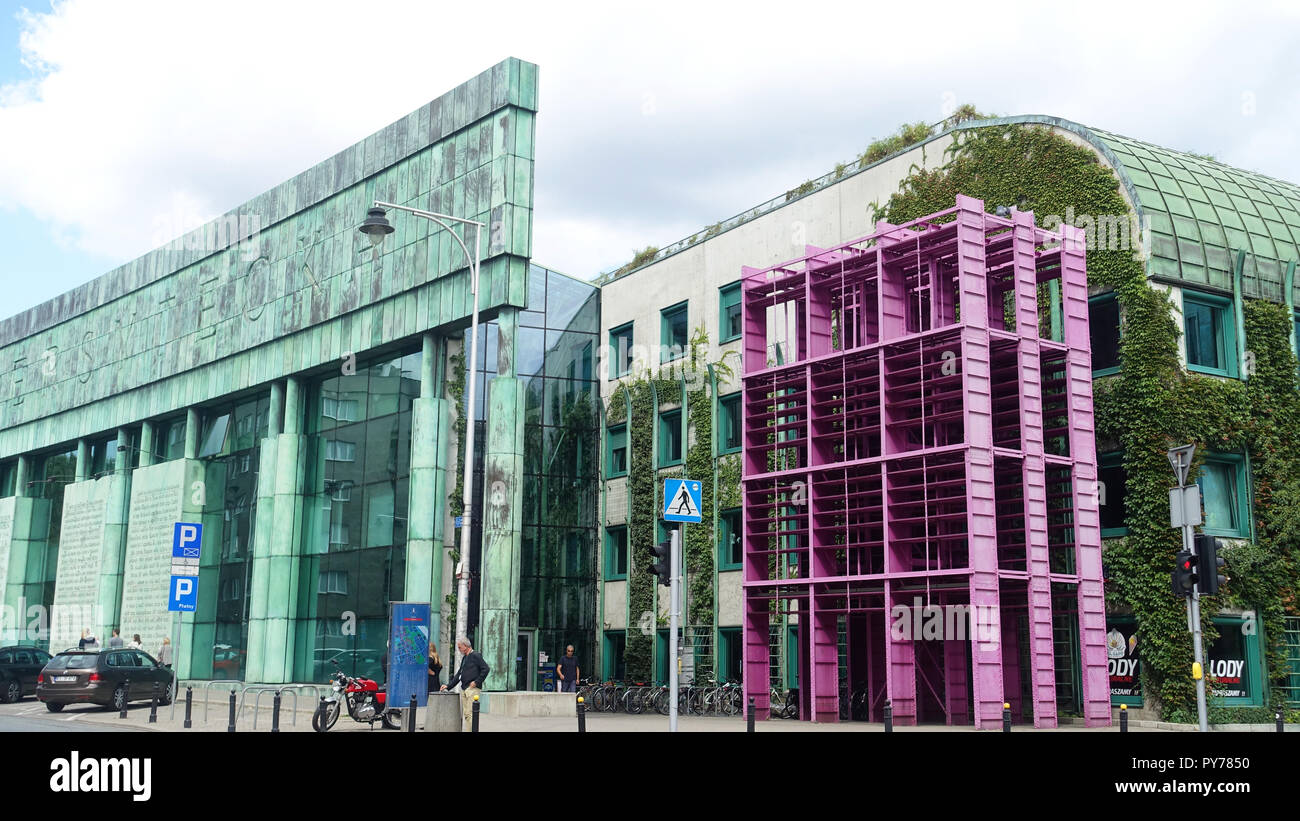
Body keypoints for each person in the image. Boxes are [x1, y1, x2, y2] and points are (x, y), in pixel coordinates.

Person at [441, 637, 490, 731]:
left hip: (472, 689)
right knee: (467, 714)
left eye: (459, 647)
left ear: (466, 646)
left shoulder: (476, 655)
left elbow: (486, 669)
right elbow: (459, 674)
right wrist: (448, 685)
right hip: (464, 688)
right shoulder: (465, 657)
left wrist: (477, 682)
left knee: (470, 713)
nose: (458, 649)